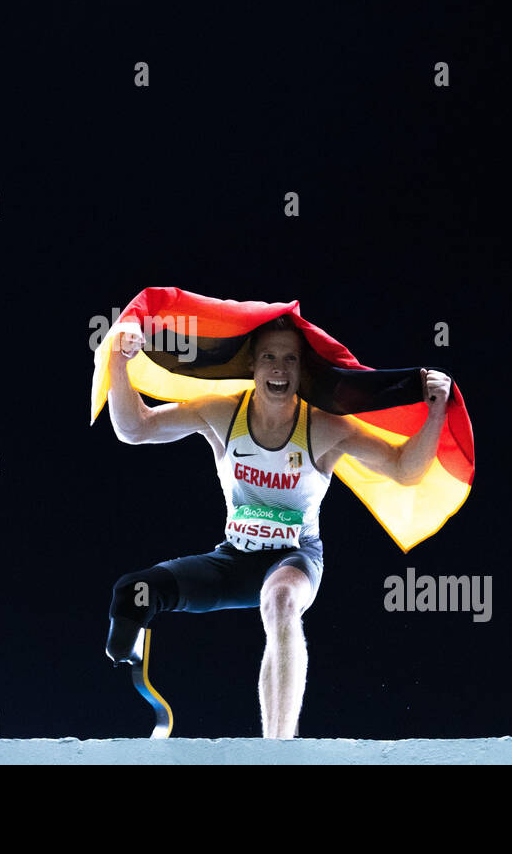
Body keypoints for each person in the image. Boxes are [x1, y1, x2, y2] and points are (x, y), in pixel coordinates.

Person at [104, 315, 451, 738]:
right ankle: (137, 671)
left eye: (290, 359)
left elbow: (404, 470)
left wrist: (435, 412)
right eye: (269, 357)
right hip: (233, 560)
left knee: (281, 600)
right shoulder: (222, 413)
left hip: (296, 558)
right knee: (132, 592)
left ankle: (278, 748)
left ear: (302, 372)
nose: (279, 370)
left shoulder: (323, 428)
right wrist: (120, 360)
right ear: (252, 366)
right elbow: (133, 428)